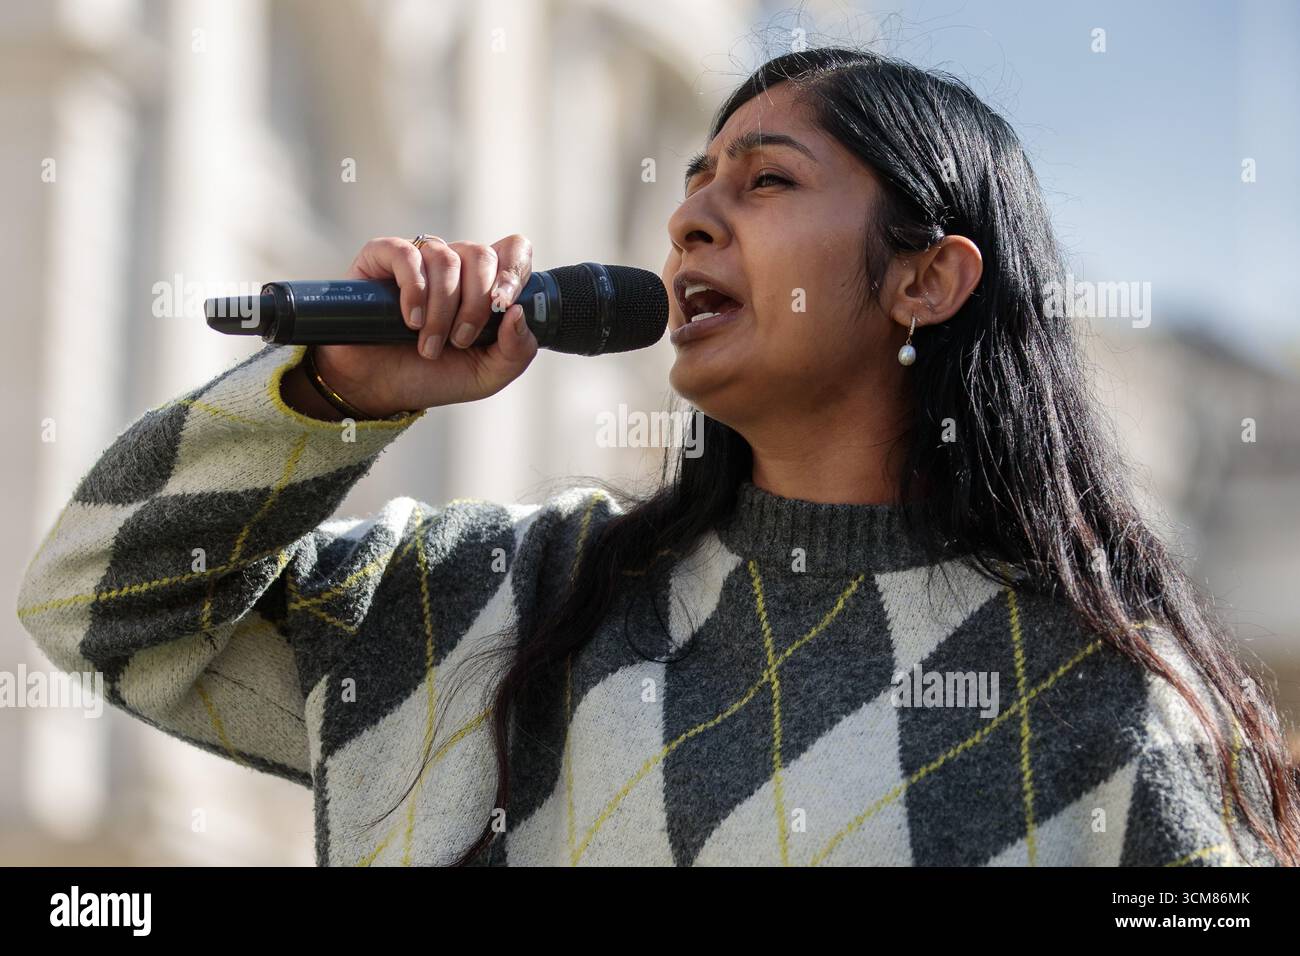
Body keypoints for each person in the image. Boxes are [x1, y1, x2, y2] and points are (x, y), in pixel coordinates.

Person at [17, 46, 1297, 867]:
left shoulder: (1102, 709)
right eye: (694, 182)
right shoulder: (493, 604)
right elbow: (96, 608)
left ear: (926, 274)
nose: (691, 214)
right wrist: (332, 400)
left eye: (765, 182)